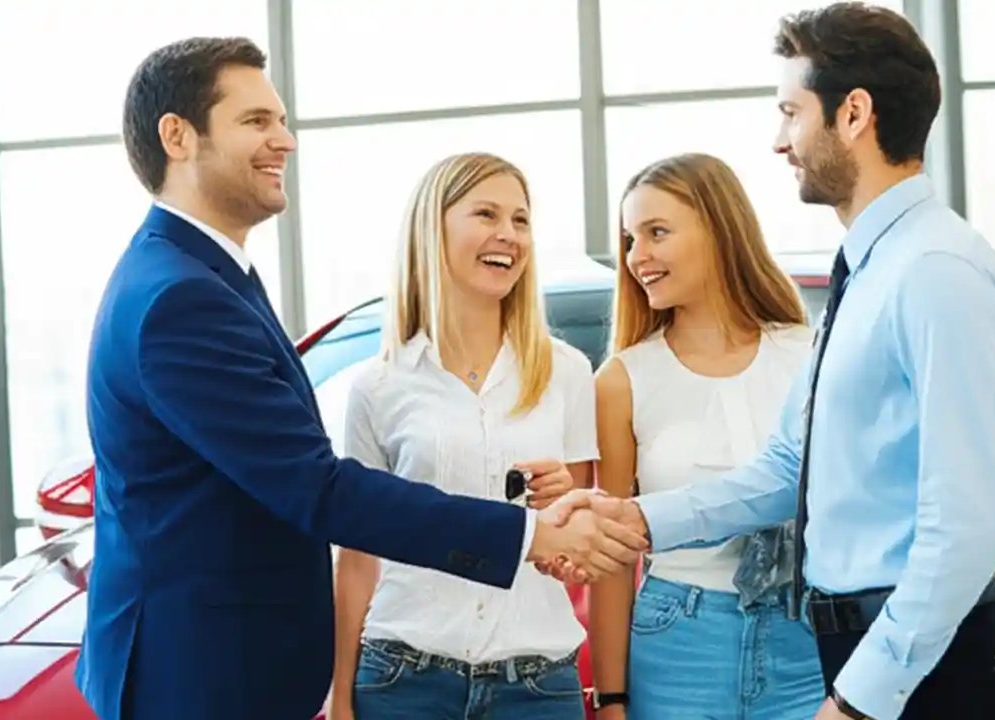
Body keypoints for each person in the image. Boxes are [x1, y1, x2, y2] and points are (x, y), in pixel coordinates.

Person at [77, 37, 645, 720]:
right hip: (205, 676)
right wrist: (526, 535)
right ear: (178, 136)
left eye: (282, 121)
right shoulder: (182, 298)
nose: (283, 141)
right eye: (256, 121)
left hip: (229, 665)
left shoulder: (201, 279)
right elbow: (317, 489)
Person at [563, 4, 995, 719]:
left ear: (853, 114)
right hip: (859, 651)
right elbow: (790, 468)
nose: (780, 141)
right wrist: (633, 521)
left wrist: (858, 699)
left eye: (791, 112)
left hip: (923, 667)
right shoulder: (871, 272)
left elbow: (974, 518)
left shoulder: (936, 272)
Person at [329, 152, 596, 720]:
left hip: (537, 688)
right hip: (403, 679)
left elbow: (583, 547)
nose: (509, 235)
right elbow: (357, 554)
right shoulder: (379, 386)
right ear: (434, 228)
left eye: (521, 220)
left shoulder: (568, 373)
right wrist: (341, 693)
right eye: (486, 214)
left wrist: (565, 504)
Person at [586, 153, 825, 720]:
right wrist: (612, 699)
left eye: (656, 232)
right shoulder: (621, 381)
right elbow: (614, 560)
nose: (636, 256)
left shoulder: (810, 355)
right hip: (676, 643)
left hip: (806, 641)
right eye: (630, 238)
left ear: (719, 229)